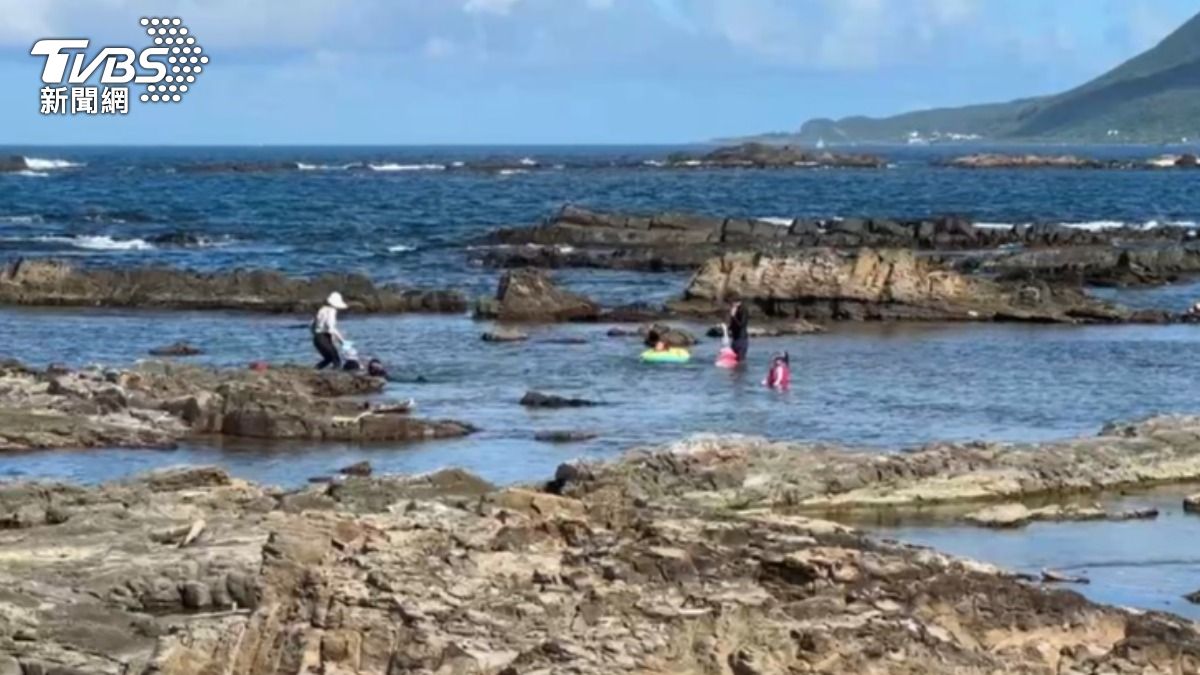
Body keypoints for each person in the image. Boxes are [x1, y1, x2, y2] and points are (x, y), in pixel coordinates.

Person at [312, 291, 348, 370]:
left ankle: (314, 371)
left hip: (317, 338)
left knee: (328, 359)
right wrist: (342, 341)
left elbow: (312, 326)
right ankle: (335, 377)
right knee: (336, 360)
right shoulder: (332, 311)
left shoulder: (321, 310)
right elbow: (331, 328)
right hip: (324, 338)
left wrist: (316, 335)